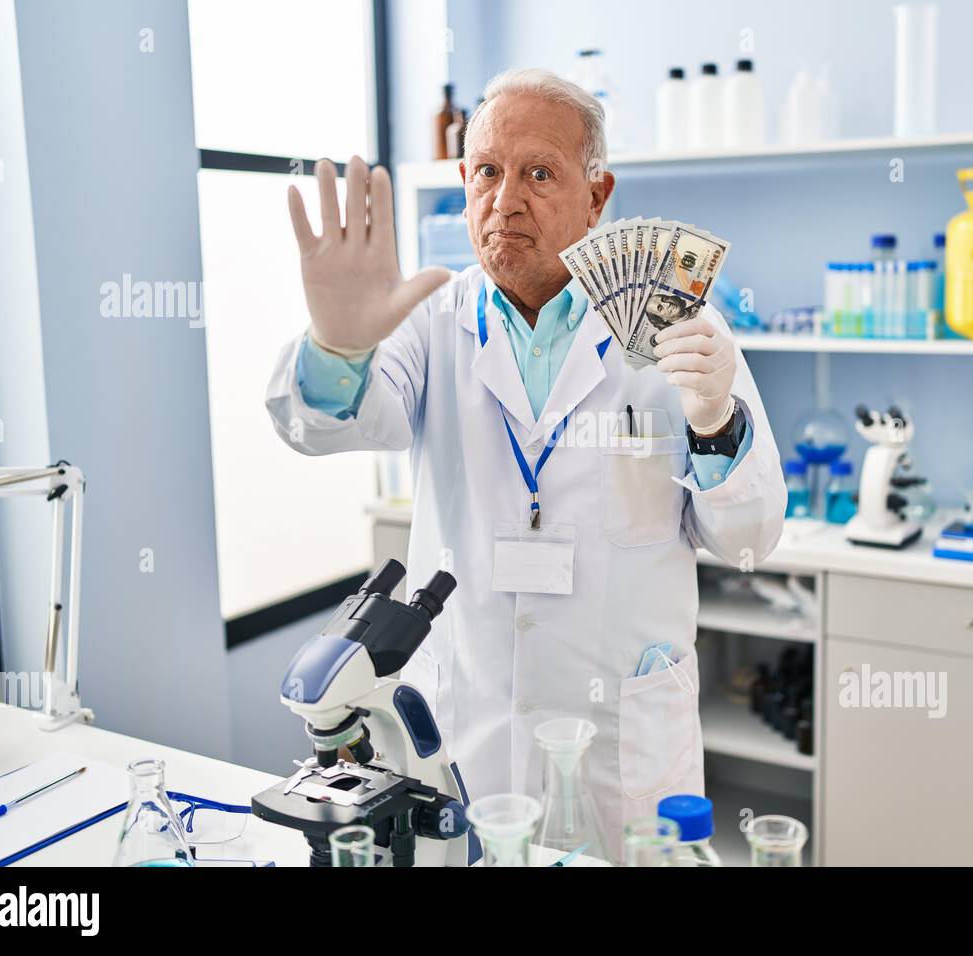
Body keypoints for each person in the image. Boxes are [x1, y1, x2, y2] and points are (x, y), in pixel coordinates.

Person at [266, 68, 785, 858]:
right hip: (467, 724)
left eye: (540, 173)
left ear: (598, 195)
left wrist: (716, 424)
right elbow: (325, 428)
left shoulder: (676, 324)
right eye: (486, 172)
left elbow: (749, 538)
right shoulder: (429, 319)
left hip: (620, 739)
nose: (506, 200)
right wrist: (338, 346)